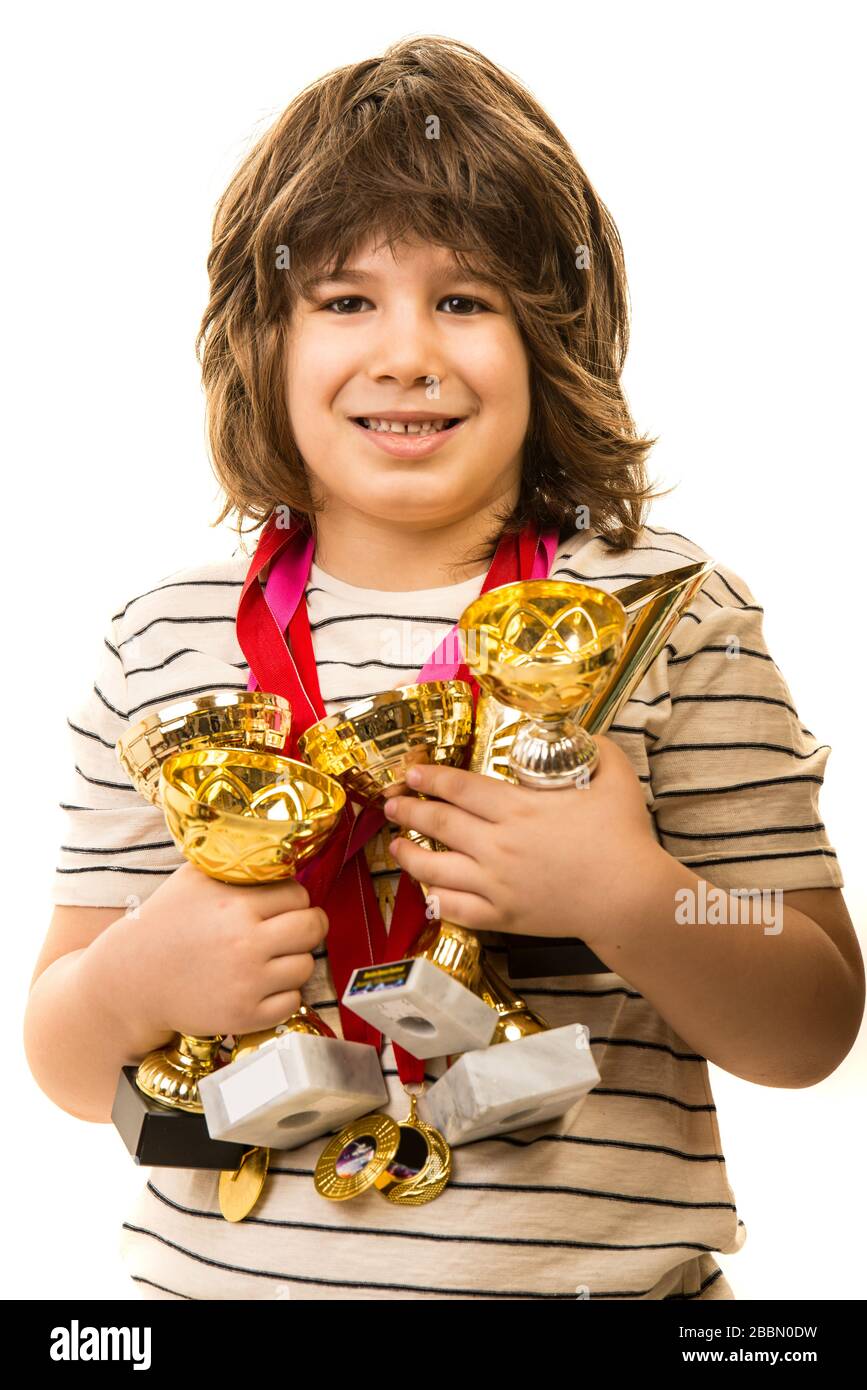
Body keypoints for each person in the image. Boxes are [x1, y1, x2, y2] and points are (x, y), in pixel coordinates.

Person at [24, 35, 863, 1301]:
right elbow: (60, 1052)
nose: (408, 351)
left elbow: (810, 1010)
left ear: (551, 337)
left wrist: (633, 894)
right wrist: (136, 976)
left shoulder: (670, 613)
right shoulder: (166, 642)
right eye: (346, 299)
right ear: (263, 339)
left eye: (465, 300)